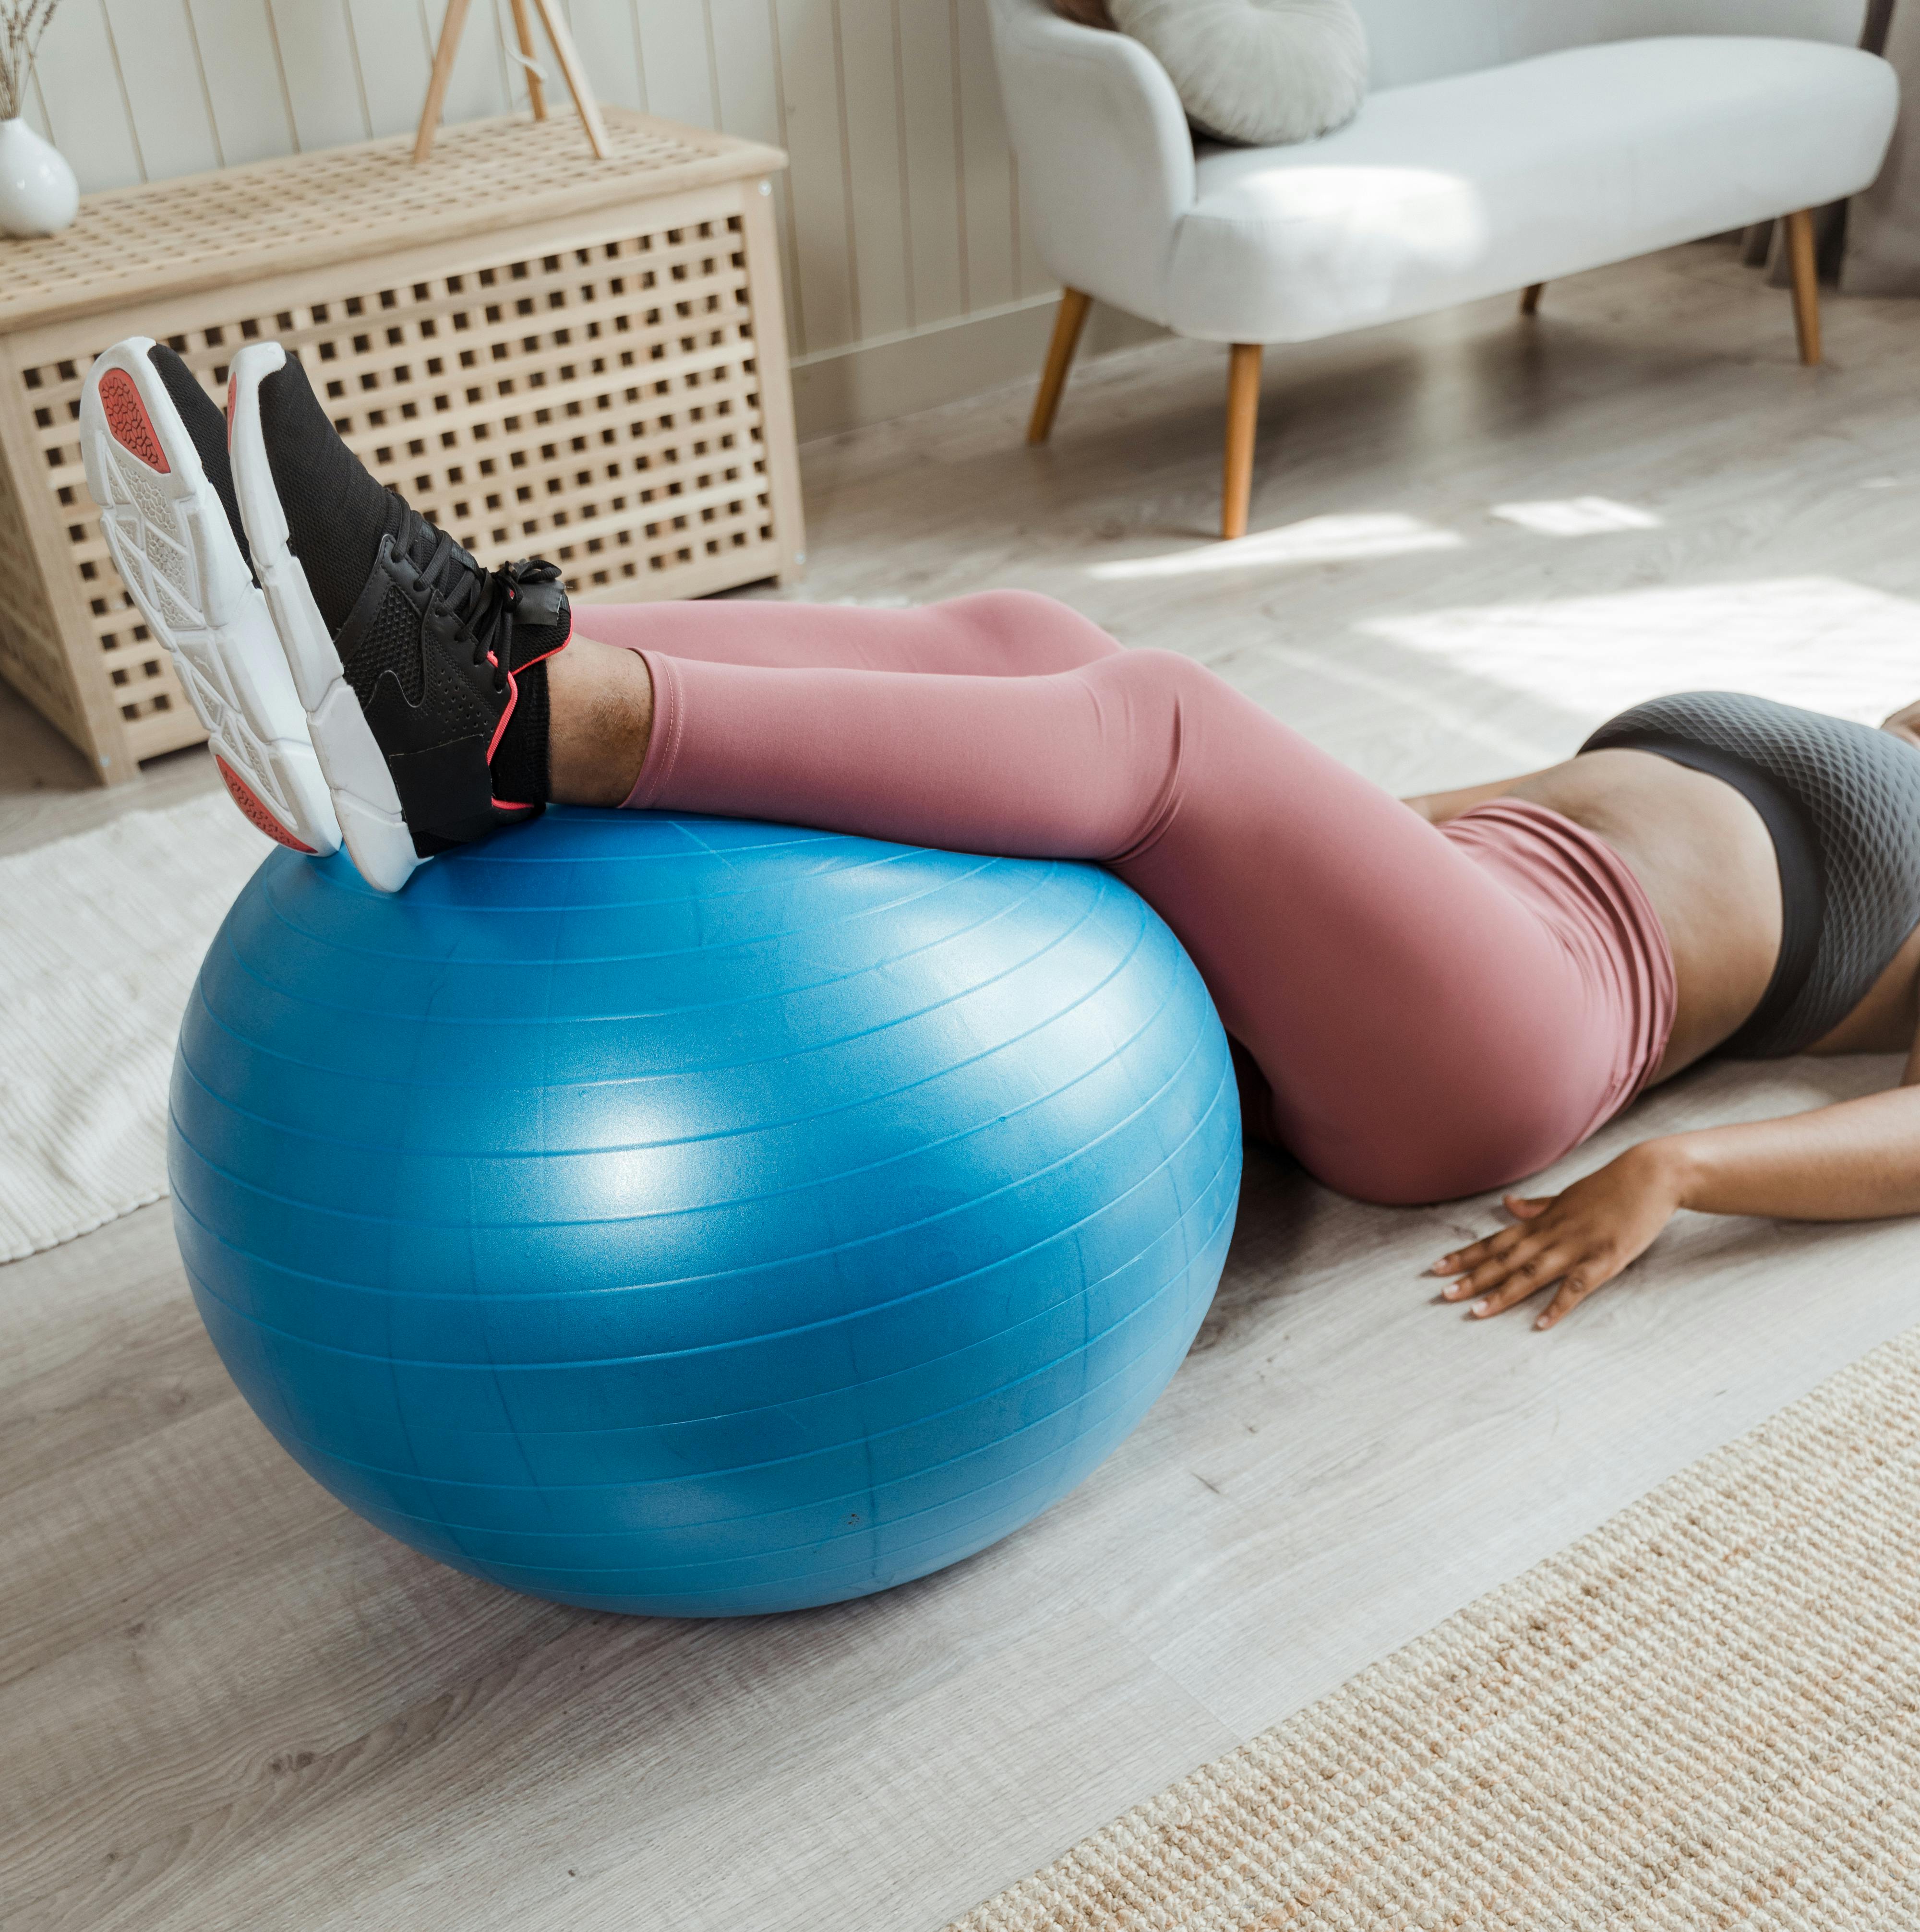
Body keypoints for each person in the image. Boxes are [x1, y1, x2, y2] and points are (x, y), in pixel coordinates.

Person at [84, 336, 1920, 1336]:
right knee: (1048, 647)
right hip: (1437, 929)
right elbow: (1485, 816)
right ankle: (469, 636)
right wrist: (1271, 845)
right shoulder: (1881, 722)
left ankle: (492, 729)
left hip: (1520, 1038)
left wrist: (1681, 1183)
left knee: (1167, 720)